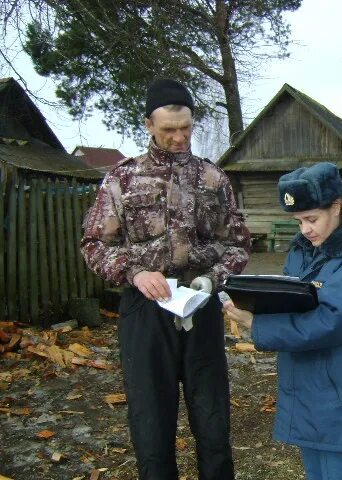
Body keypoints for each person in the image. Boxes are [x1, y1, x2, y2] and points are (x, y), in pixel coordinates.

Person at [81, 78, 250, 480]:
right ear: (148, 125)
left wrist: (212, 279)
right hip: (146, 312)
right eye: (168, 129)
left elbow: (239, 245)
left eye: (186, 128)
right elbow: (93, 245)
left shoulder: (213, 179)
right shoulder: (122, 179)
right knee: (151, 422)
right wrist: (135, 272)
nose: (179, 137)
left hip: (199, 305)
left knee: (212, 420)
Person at [224, 162, 342, 480]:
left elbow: (334, 318)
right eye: (299, 220)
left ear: (336, 206)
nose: (305, 229)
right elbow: (292, 299)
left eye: (311, 219)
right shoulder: (305, 249)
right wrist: (256, 304)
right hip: (311, 389)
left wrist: (257, 325)